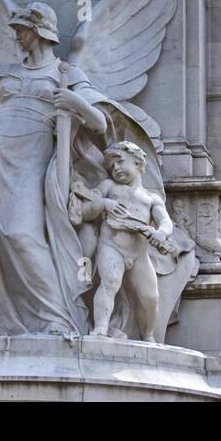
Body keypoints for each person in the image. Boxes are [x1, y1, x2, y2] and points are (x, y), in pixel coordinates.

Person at [0, 2, 109, 337]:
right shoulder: (5, 74)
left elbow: (100, 123)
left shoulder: (66, 74)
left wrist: (74, 101)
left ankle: (58, 319)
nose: (16, 36)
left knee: (24, 235)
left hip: (33, 159)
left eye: (21, 29)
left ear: (39, 32)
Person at [76, 142, 174, 342]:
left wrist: (161, 233)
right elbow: (84, 212)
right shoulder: (108, 187)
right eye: (111, 167)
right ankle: (101, 328)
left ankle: (148, 335)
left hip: (139, 255)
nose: (116, 169)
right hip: (112, 246)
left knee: (150, 297)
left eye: (120, 162)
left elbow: (165, 221)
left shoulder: (150, 198)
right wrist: (104, 203)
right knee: (110, 282)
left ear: (138, 162)